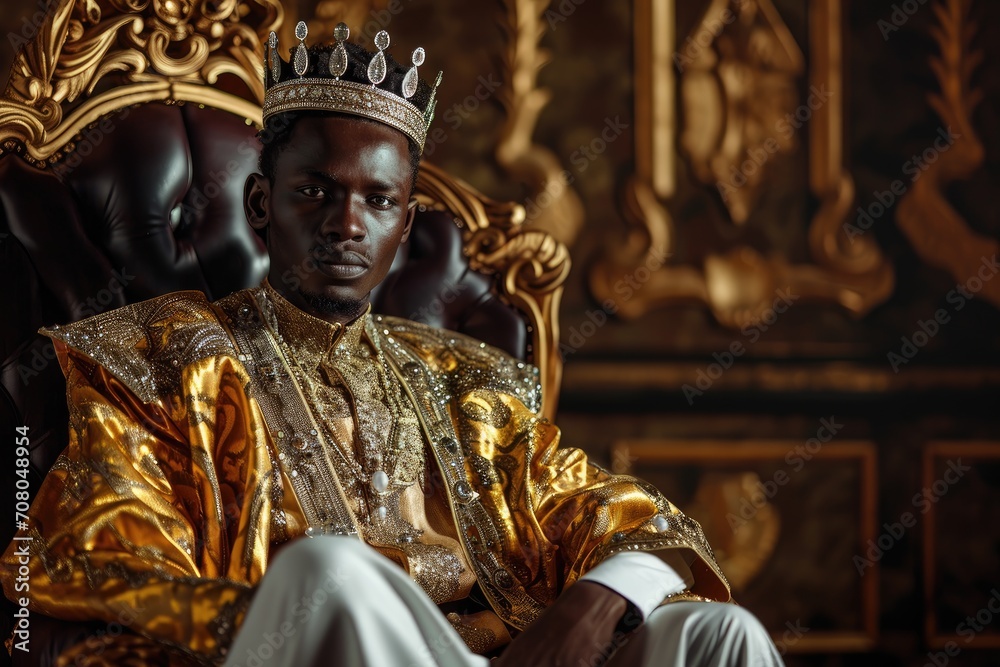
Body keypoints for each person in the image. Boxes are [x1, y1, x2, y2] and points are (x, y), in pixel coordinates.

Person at [0, 21, 783, 667]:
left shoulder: (469, 384)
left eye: (378, 200)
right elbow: (92, 558)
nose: (347, 224)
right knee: (328, 572)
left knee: (722, 634)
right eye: (316, 192)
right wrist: (288, 621)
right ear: (262, 204)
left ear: (405, 225)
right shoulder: (162, 362)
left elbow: (624, 515)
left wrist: (589, 602)